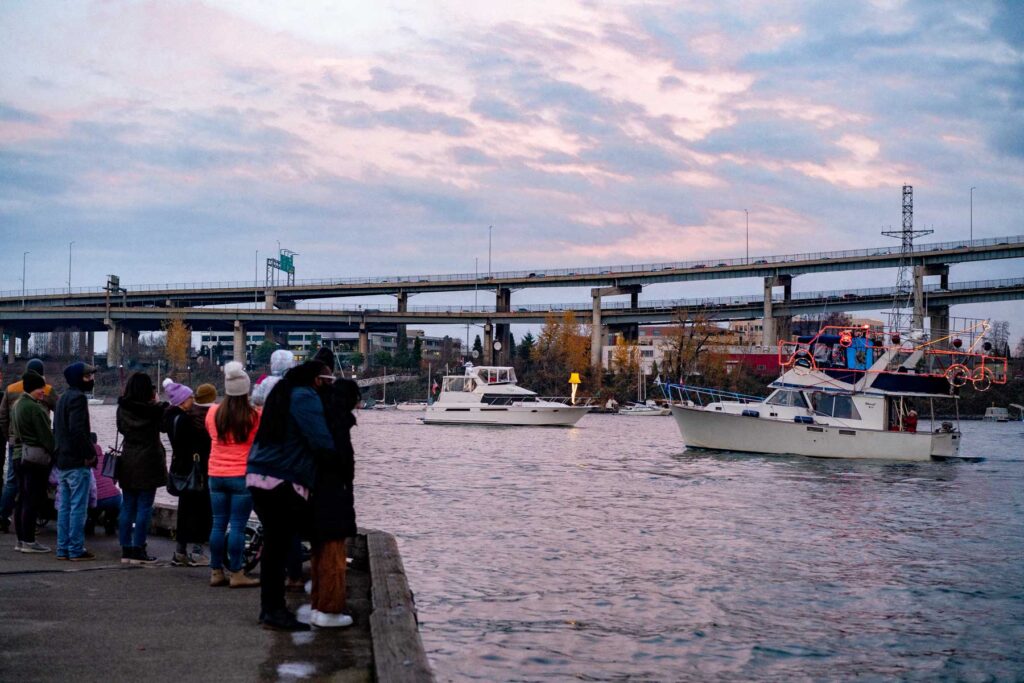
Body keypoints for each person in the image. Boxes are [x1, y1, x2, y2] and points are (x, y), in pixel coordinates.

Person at [247, 361, 334, 631]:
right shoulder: (305, 396)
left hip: (259, 475)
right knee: (278, 546)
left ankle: (270, 608)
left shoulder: (283, 393)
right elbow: (321, 440)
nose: (331, 387)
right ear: (317, 380)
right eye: (328, 382)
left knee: (275, 546)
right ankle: (273, 610)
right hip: (282, 480)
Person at [309, 376, 360, 628]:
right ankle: (330, 609)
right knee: (334, 553)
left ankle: (318, 604)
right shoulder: (338, 425)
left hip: (316, 493)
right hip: (333, 495)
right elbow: (342, 464)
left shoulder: (321, 418)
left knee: (319, 549)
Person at [205, 362, 260, 588]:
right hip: (241, 475)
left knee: (218, 524)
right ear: (246, 390)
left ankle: (216, 571)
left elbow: (211, 435)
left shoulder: (213, 413)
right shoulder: (254, 416)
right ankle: (237, 573)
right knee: (237, 525)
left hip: (215, 474)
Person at [116, 372, 167, 565]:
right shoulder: (154, 410)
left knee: (127, 505)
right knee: (145, 506)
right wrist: (158, 404)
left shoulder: (122, 408)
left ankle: (125, 549)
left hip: (128, 459)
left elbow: (121, 428)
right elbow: (163, 427)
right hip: (149, 460)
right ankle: (139, 548)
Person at [0, 359, 57, 533]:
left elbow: (2, 417)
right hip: (37, 445)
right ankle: (30, 523)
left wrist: (8, 435)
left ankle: (3, 516)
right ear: (41, 373)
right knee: (34, 485)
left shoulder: (10, 389)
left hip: (14, 442)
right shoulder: (46, 390)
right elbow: (60, 410)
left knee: (12, 481)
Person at [162, 379, 212, 567]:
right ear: (182, 401)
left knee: (184, 511)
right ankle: (197, 553)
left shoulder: (170, 418)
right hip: (195, 471)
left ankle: (180, 551)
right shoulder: (186, 421)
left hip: (180, 469)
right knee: (200, 510)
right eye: (190, 397)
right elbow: (199, 442)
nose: (193, 400)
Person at [53, 361, 99, 560]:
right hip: (76, 462)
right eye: (88, 377)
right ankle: (75, 549)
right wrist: (90, 454)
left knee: (64, 507)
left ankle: (62, 548)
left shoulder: (62, 398)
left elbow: (59, 431)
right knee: (78, 508)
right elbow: (78, 431)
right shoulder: (79, 399)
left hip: (62, 461)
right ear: (79, 379)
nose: (92, 380)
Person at [9, 371, 55, 554]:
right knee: (32, 500)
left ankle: (21, 540)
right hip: (34, 458)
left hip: (18, 456)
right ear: (31, 389)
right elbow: (46, 436)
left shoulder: (17, 405)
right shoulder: (34, 408)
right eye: (39, 389)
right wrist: (55, 451)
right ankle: (29, 540)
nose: (43, 392)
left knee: (21, 499)